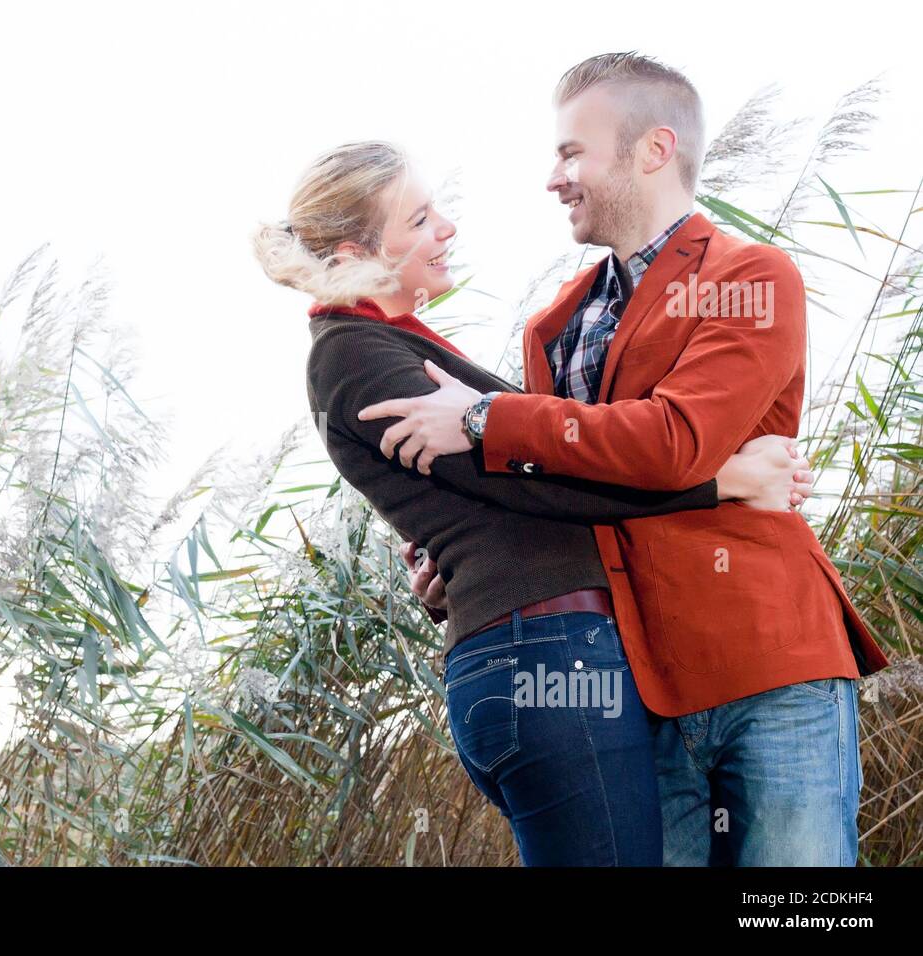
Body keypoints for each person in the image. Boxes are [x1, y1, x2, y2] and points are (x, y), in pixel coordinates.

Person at [358, 53, 892, 866]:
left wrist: (484, 417)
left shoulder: (750, 277)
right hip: (632, 684)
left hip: (769, 665)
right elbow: (559, 491)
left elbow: (676, 441)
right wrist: (464, 560)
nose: (553, 178)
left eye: (573, 152)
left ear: (653, 149)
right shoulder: (552, 327)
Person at [252, 139, 811, 865]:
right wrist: (723, 480)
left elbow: (505, 477)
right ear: (361, 250)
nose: (445, 229)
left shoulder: (386, 345)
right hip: (544, 659)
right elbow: (534, 477)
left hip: (542, 657)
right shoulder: (352, 354)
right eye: (420, 220)